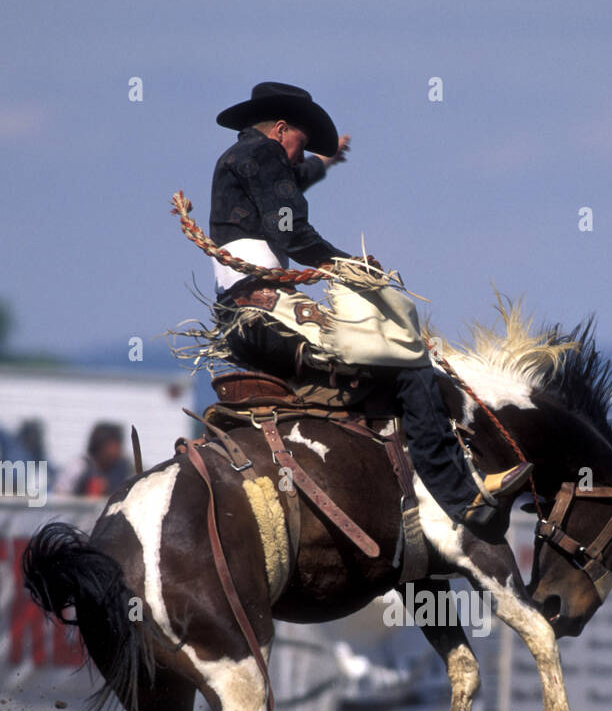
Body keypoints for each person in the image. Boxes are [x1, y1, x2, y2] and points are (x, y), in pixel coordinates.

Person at [208, 81, 531, 532]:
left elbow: (289, 183)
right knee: (408, 366)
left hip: (245, 318)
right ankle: (461, 498)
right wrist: (352, 267)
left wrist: (323, 160)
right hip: (267, 317)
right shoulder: (263, 157)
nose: (298, 158)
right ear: (280, 130)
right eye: (300, 145)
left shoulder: (240, 160)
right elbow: (293, 232)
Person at [55, 422, 131, 497]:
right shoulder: (79, 466)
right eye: (113, 446)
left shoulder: (122, 467)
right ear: (100, 446)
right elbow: (61, 496)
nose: (118, 450)